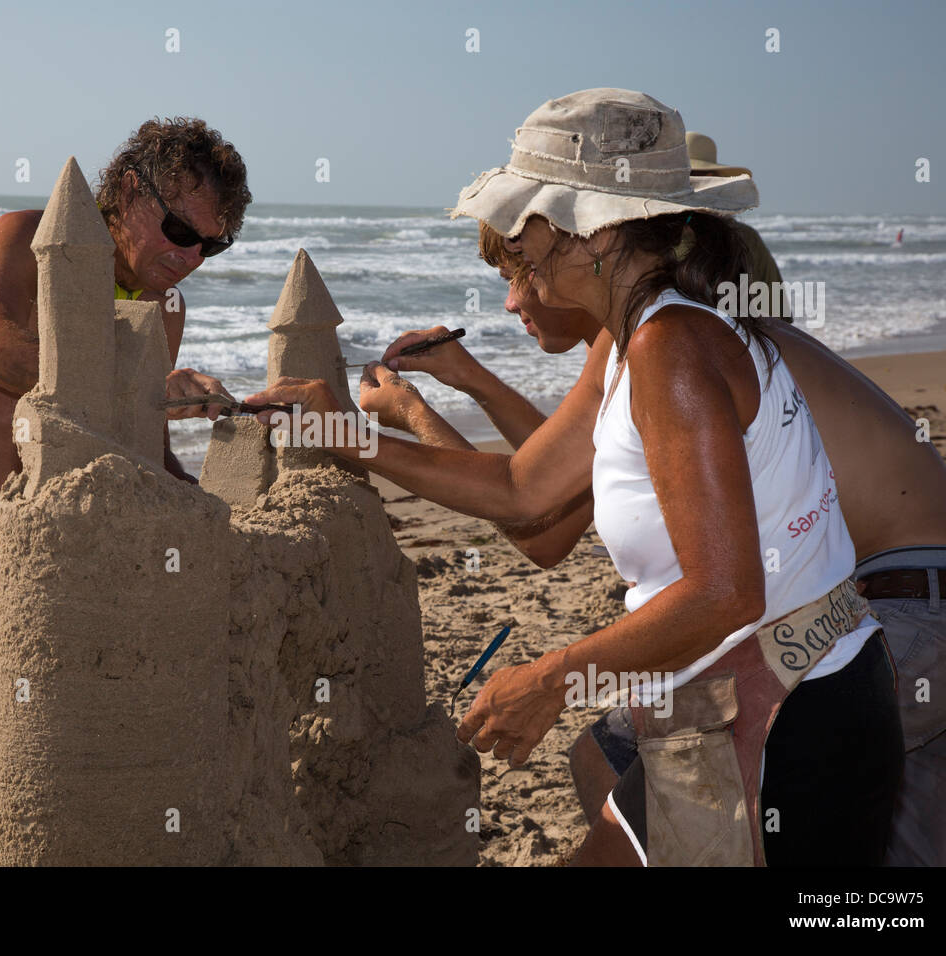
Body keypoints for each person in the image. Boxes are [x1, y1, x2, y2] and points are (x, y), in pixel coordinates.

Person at [249, 88, 902, 866]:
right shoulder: (634, 342)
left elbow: (727, 590)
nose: (515, 250)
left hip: (786, 718)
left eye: (525, 221)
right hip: (754, 696)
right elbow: (523, 490)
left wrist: (551, 679)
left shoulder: (672, 351)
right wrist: (339, 431)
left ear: (586, 230)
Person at [369, 217, 946, 866]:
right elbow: (553, 492)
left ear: (599, 242)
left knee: (617, 753)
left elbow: (543, 517)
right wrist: (470, 383)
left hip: (895, 614)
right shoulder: (696, 321)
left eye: (518, 271)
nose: (515, 299)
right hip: (937, 610)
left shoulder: (661, 338)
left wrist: (396, 419)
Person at [0, 117, 252, 866]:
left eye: (210, 244)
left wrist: (214, 513)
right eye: (176, 229)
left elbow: (144, 454)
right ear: (130, 190)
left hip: (73, 562)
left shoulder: (165, 309)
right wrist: (147, 383)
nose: (190, 258)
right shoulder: (29, 239)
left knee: (24, 786)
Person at [685, 132, 788, 322]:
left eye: (690, 176)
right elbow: (777, 316)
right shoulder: (745, 238)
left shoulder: (646, 239)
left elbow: (776, 313)